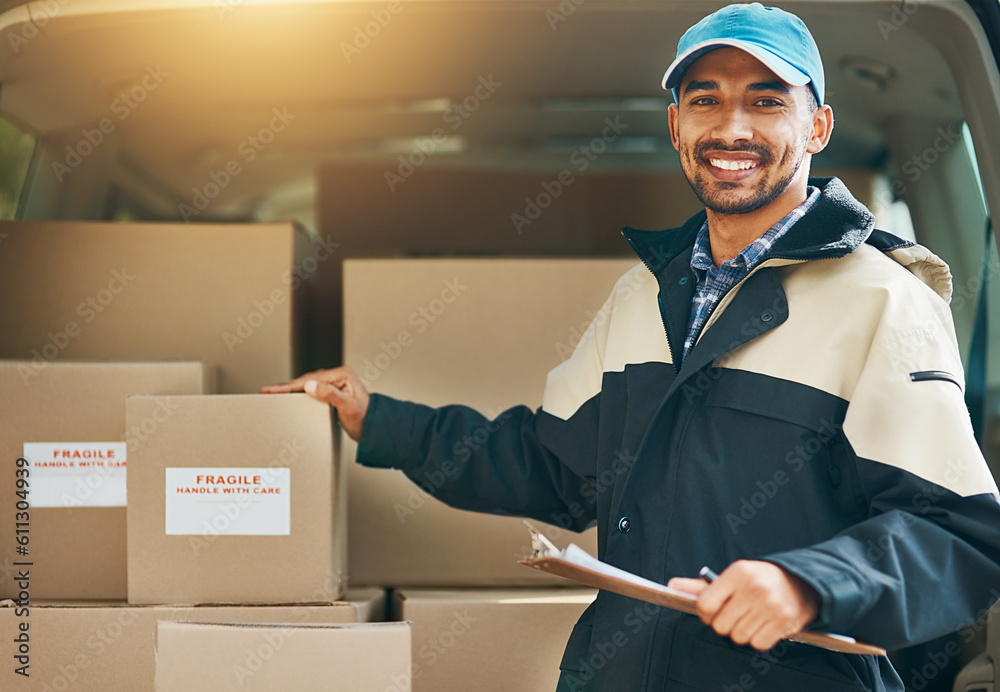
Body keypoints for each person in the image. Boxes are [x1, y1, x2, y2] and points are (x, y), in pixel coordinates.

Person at [263, 3, 1000, 690]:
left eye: (767, 101)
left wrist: (809, 585)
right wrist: (379, 419)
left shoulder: (883, 301)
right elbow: (555, 468)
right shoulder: (642, 294)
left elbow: (957, 536)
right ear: (677, 125)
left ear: (817, 127)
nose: (732, 128)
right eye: (706, 100)